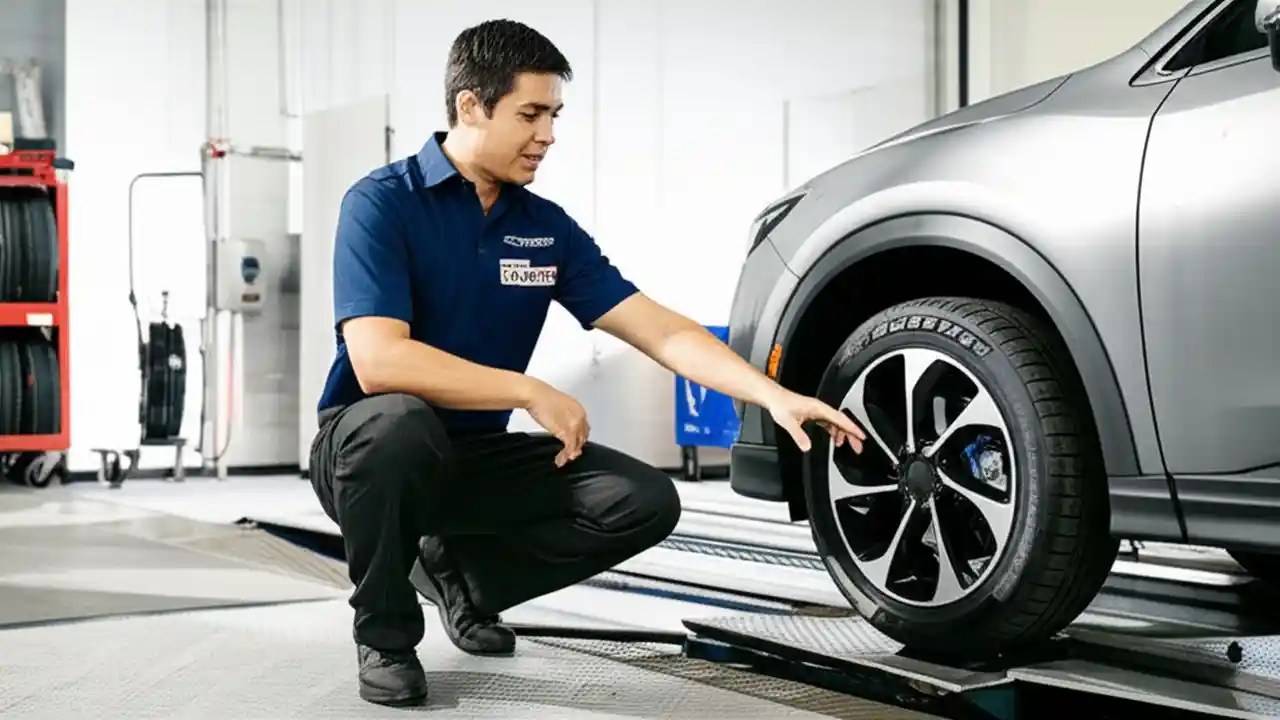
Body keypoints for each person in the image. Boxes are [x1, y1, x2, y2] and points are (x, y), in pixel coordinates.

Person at [307, 18, 866, 707]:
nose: (548, 135)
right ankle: (386, 634)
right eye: (531, 114)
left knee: (641, 500)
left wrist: (771, 395)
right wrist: (528, 389)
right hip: (364, 452)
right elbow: (378, 362)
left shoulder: (543, 227)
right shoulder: (382, 204)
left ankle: (461, 574)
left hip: (472, 457)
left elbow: (657, 329)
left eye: (555, 115)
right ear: (470, 106)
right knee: (397, 425)